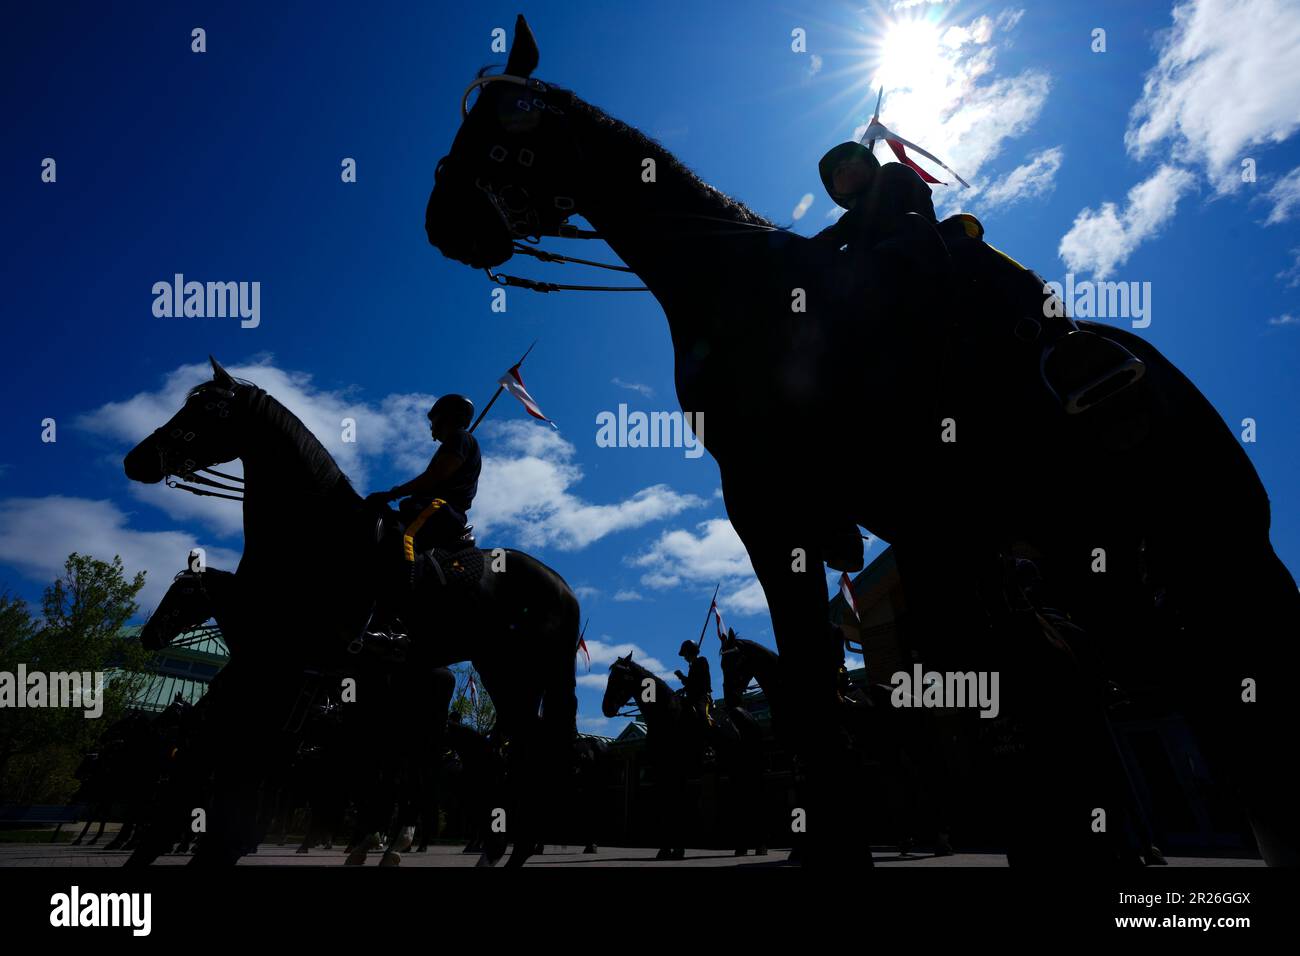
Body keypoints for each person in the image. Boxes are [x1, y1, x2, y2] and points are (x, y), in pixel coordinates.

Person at [366, 393, 482, 551]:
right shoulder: (457, 441)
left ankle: (406, 574)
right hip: (430, 509)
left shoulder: (460, 438)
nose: (431, 425)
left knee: (401, 538)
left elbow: (436, 476)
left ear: (446, 417)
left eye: (433, 418)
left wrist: (392, 494)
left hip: (439, 510)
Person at [674, 640, 713, 731]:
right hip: (692, 697)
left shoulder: (701, 661)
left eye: (685, 654)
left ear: (690, 652)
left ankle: (708, 733)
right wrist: (683, 688)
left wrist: (681, 677)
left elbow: (697, 683)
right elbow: (690, 683)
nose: (684, 657)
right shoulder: (693, 665)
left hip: (701, 696)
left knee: (701, 715)